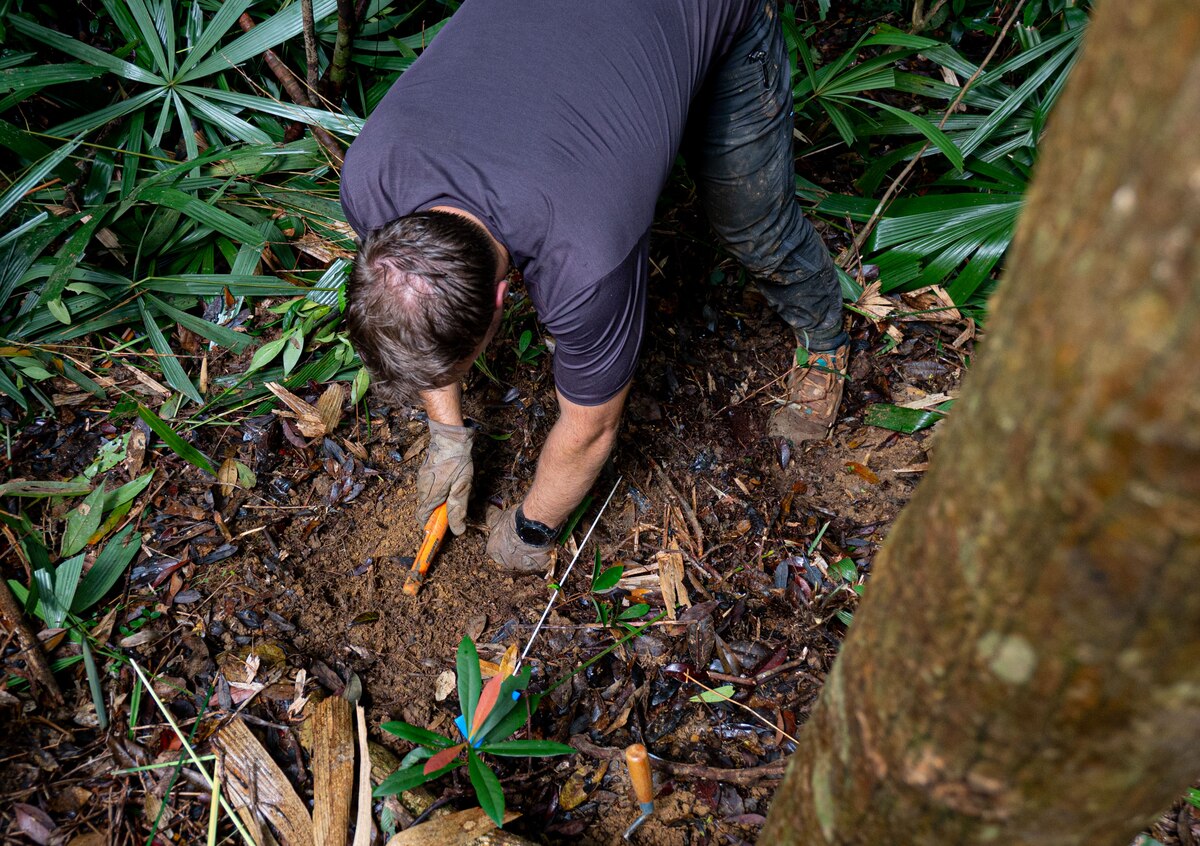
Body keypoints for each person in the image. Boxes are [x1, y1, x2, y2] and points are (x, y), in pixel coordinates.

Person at [340, 0, 848, 574]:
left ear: (506, 298)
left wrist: (533, 529)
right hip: (587, 51)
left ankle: (825, 335)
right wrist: (445, 429)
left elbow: (591, 431)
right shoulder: (372, 180)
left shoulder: (584, 258)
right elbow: (414, 301)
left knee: (752, 225)